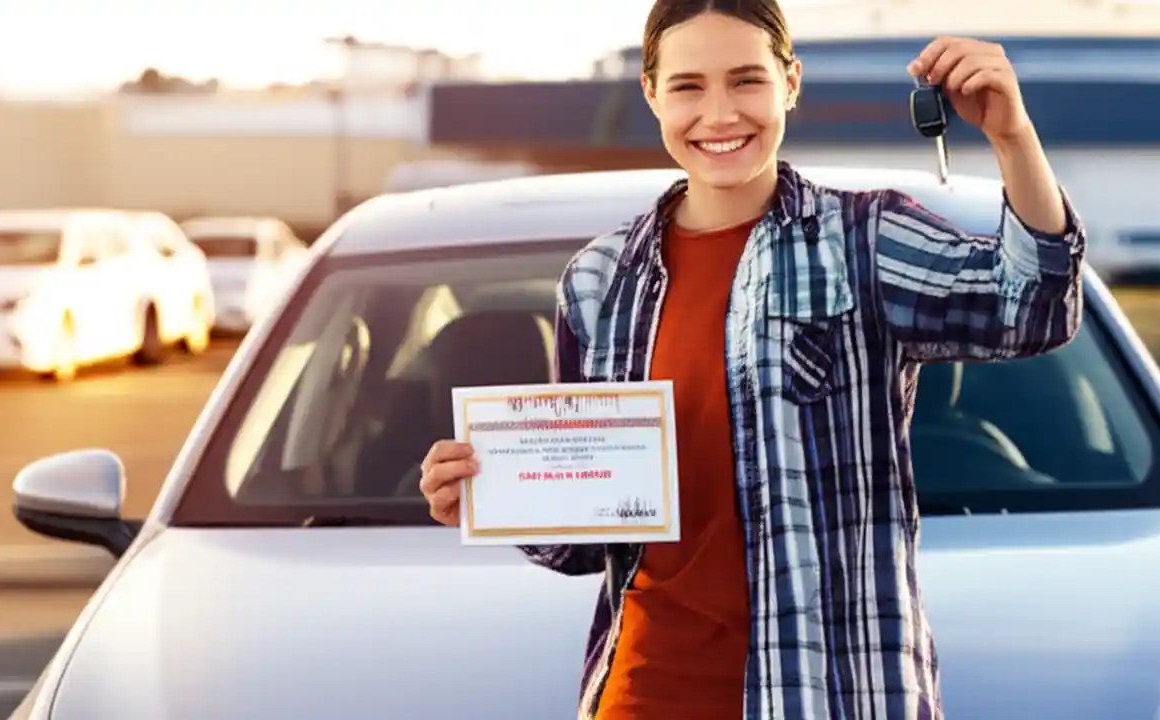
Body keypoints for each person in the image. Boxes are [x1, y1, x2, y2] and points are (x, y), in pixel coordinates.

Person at [419, 0, 1085, 718]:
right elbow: (590, 542)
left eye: (746, 80)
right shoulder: (598, 279)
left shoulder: (865, 240)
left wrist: (1012, 136)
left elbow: (1031, 311)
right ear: (651, 94)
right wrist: (497, 496)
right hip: (644, 696)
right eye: (687, 86)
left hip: (832, 697)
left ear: (790, 83)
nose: (719, 113)